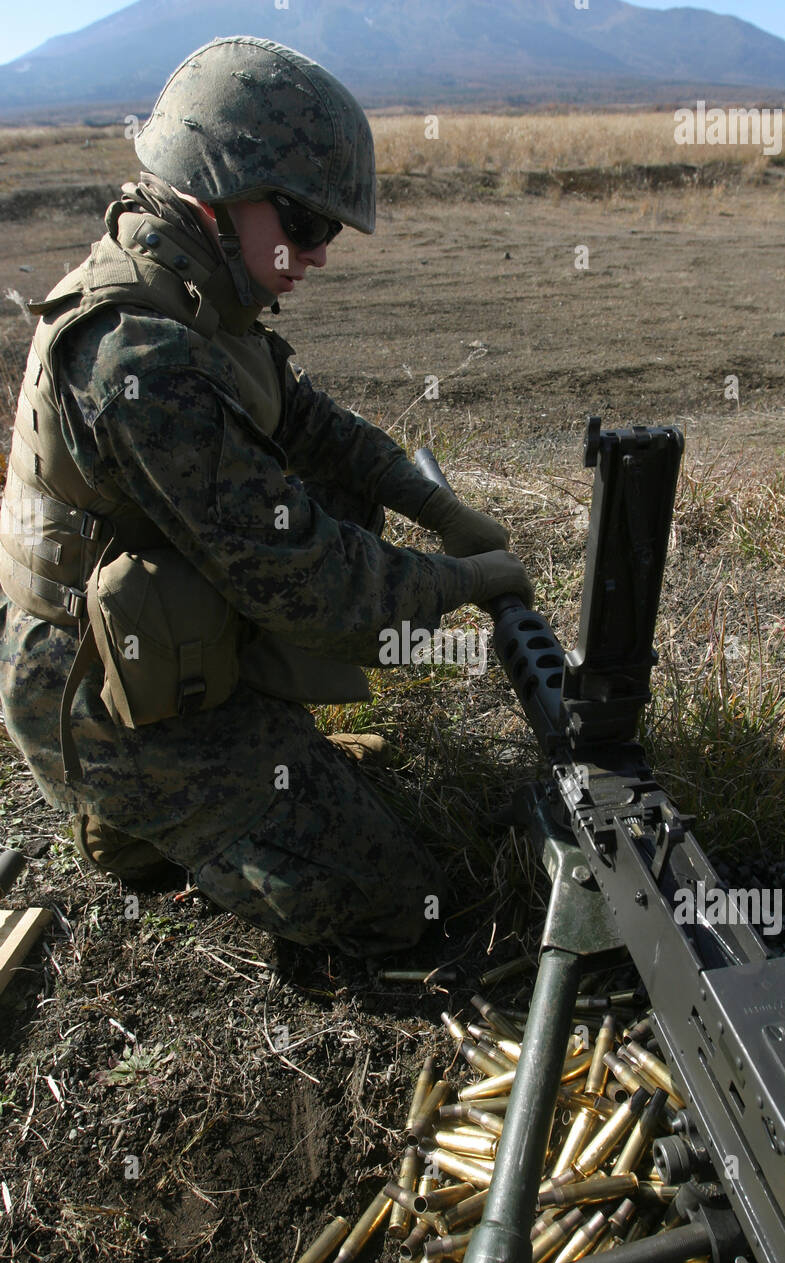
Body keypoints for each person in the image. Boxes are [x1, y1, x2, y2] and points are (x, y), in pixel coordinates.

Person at [0, 36, 532, 956]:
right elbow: (325, 591)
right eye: (307, 224)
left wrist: (434, 506)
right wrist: (469, 582)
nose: (319, 256)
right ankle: (130, 821)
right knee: (394, 909)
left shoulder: (196, 290)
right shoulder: (140, 355)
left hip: (160, 647)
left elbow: (310, 423)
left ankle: (210, 782)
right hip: (101, 695)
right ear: (218, 189)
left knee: (327, 487)